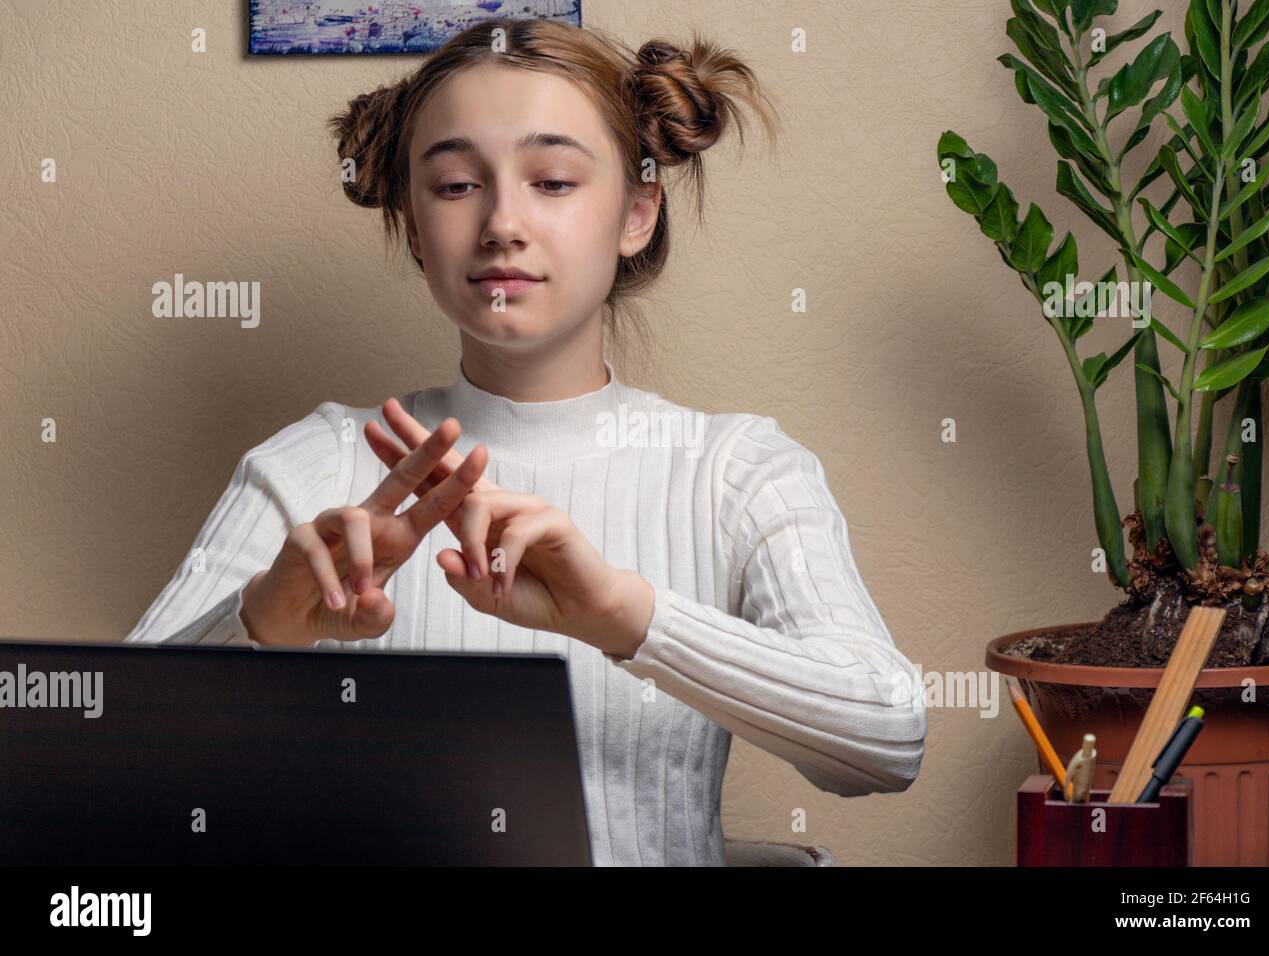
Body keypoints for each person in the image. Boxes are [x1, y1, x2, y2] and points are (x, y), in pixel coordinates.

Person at [125, 16, 926, 866]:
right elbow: (110, 772)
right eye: (457, 185)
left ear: (637, 213)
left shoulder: (736, 473)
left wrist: (625, 617)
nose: (503, 222)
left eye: (551, 180)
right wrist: (262, 623)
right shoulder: (318, 463)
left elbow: (888, 740)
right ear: (411, 223)